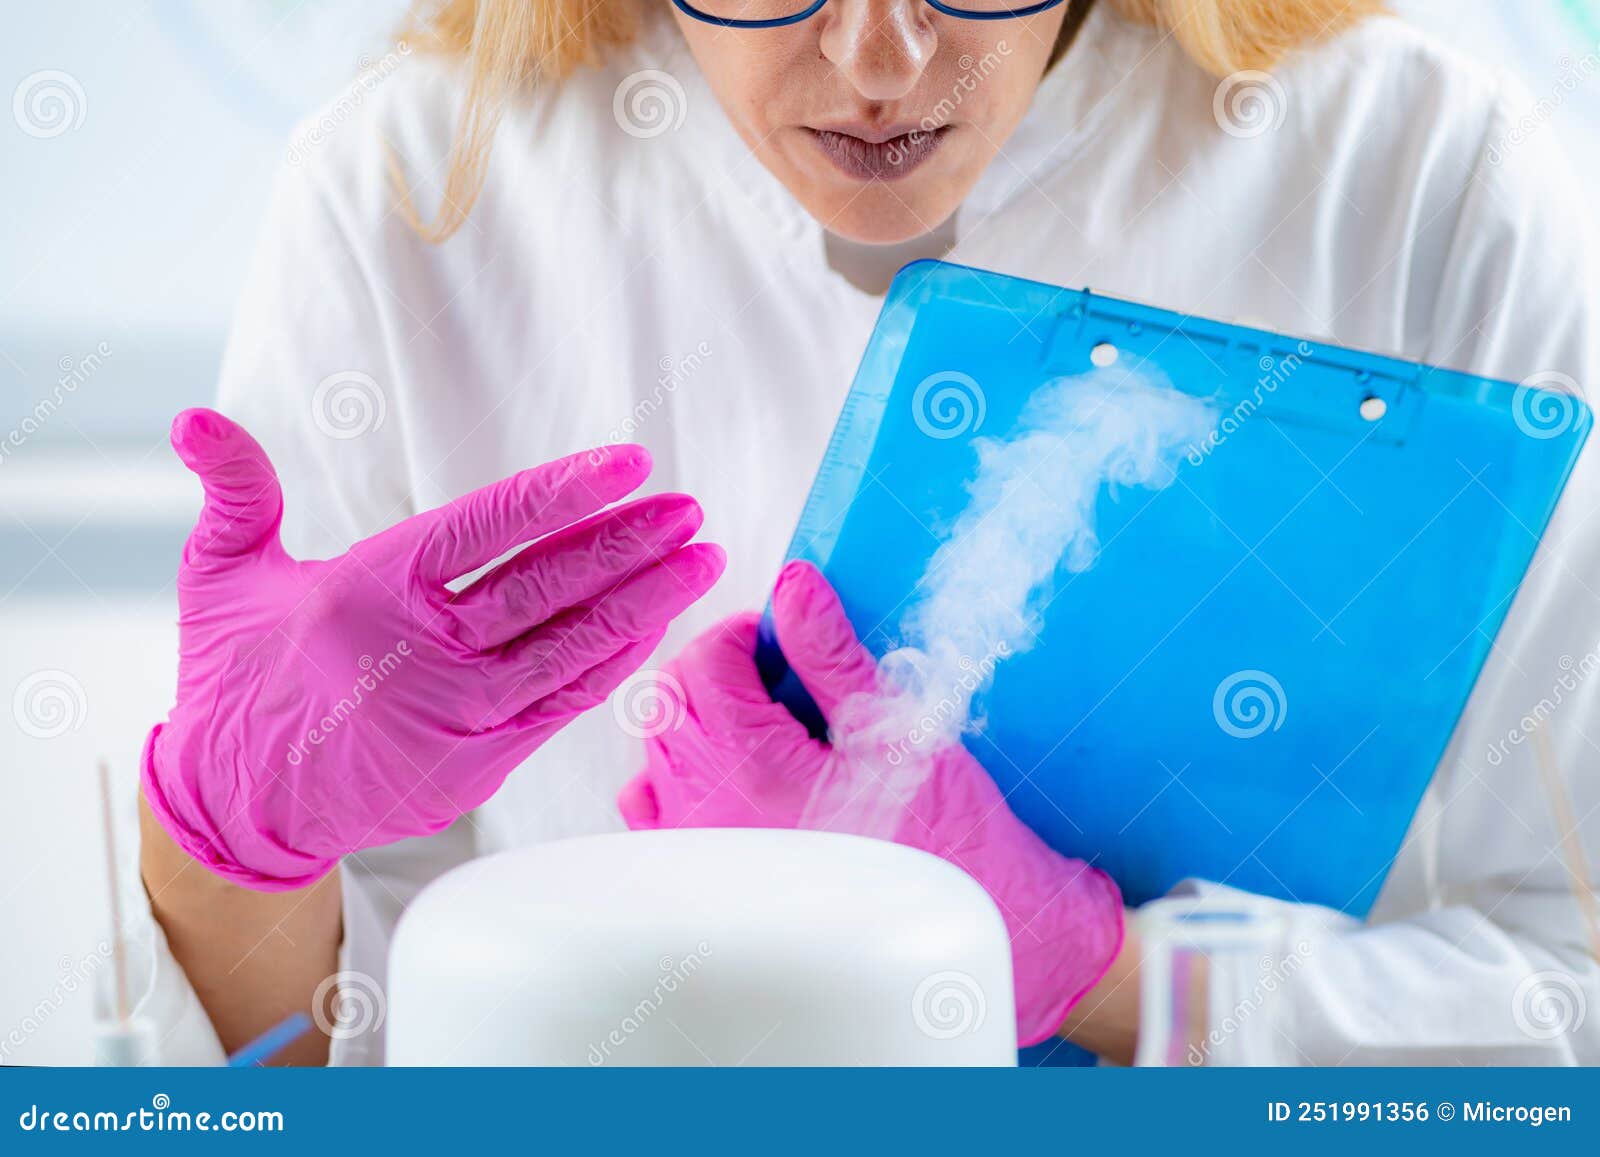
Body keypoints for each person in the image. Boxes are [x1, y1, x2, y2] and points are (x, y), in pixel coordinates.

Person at [134, 0, 1599, 1065]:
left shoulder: (1420, 179)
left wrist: (1111, 977)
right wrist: (224, 846)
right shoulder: (408, 198)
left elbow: (1571, 987)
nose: (883, 56)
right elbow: (323, 1067)